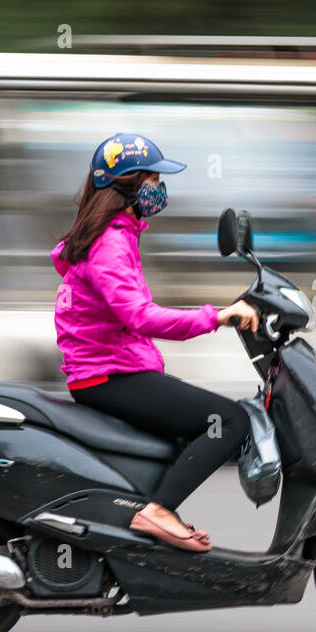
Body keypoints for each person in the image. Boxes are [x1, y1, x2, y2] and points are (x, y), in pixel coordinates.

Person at [51, 134, 259, 552]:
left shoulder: (118, 236)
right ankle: (159, 511)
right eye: (153, 180)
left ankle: (143, 517)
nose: (160, 189)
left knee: (190, 427)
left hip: (112, 371)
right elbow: (140, 316)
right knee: (230, 421)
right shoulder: (110, 243)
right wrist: (216, 316)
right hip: (108, 377)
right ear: (128, 184)